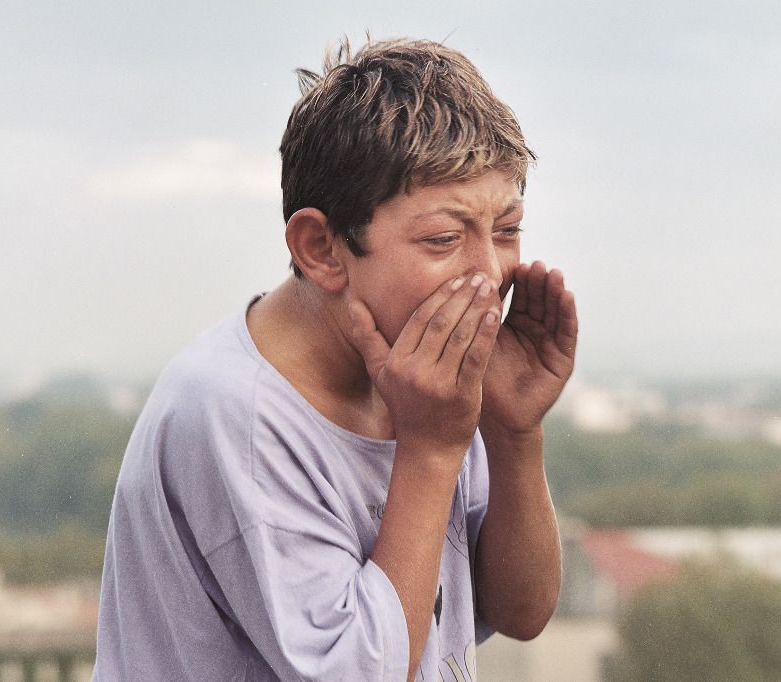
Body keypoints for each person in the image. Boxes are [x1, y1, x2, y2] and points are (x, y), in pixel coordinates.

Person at [93, 37, 577, 682]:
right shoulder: (236, 414)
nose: (489, 272)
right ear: (322, 248)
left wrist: (514, 432)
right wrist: (430, 450)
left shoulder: (421, 373)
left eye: (508, 229)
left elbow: (518, 611)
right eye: (443, 238)